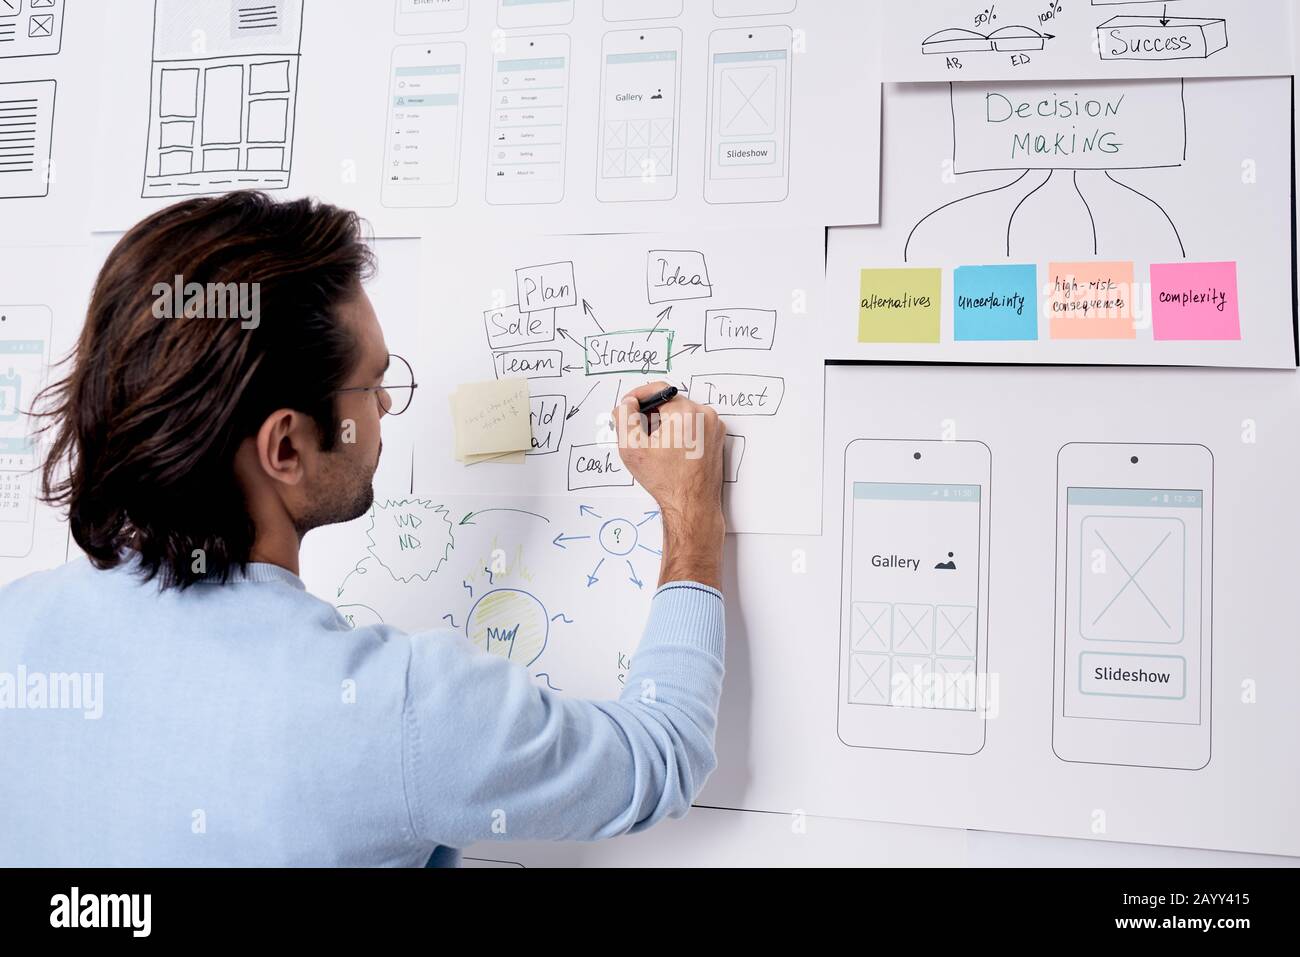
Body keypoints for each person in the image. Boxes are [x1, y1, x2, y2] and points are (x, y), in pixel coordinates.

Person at [0, 192, 727, 867]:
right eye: (371, 383)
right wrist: (692, 517)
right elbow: (660, 755)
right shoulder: (403, 708)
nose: (384, 403)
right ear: (286, 447)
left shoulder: (15, 630)